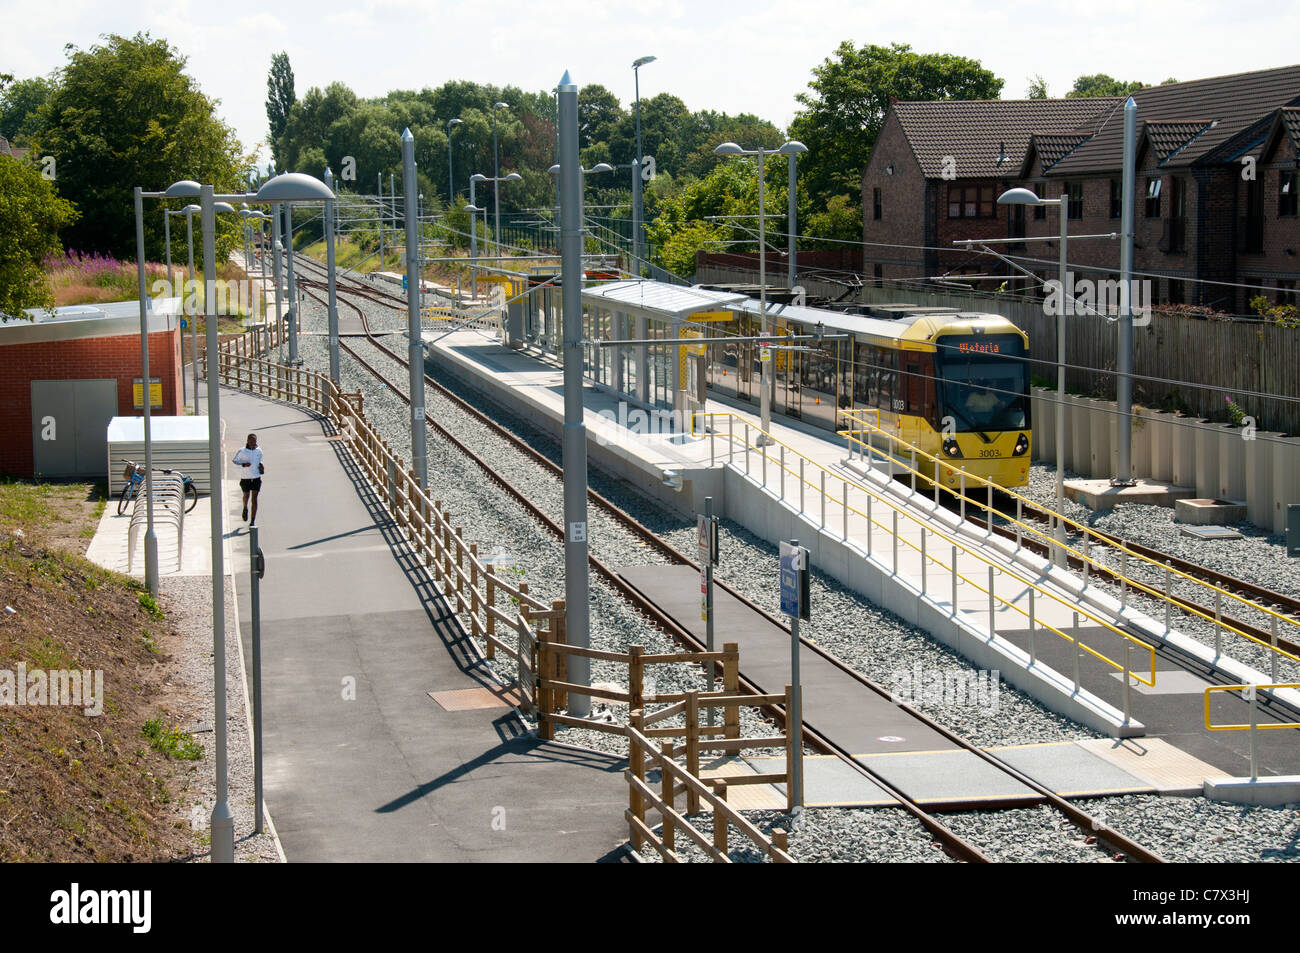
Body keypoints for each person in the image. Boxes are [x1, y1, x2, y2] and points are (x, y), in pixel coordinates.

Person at [232, 433, 264, 526]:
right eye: (251, 440)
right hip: (245, 478)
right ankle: (245, 507)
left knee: (254, 499)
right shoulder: (242, 451)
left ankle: (252, 521)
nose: (253, 442)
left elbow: (259, 461)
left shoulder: (259, 450)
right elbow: (235, 460)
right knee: (246, 496)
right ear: (247, 441)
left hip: (256, 477)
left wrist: (261, 468)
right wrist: (243, 464)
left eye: (254, 440)